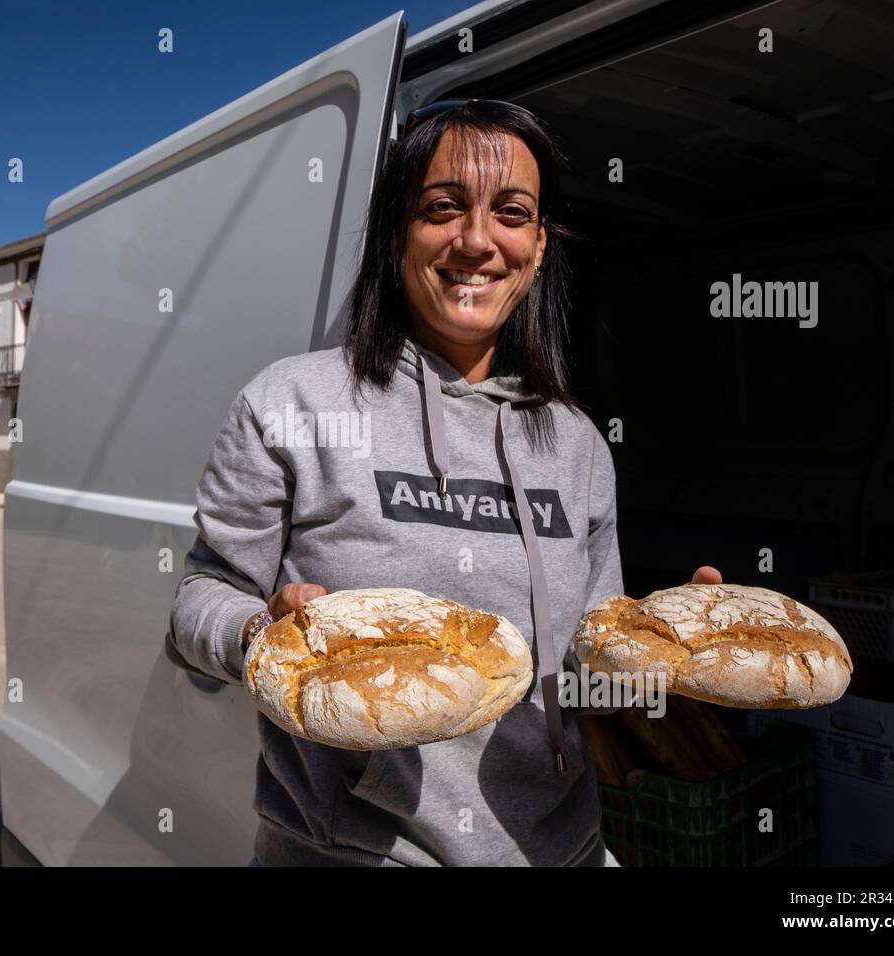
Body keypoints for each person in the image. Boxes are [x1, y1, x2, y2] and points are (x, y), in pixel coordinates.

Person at [172, 98, 721, 866]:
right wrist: (261, 634)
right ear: (398, 230)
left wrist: (673, 647)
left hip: (561, 848)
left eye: (511, 213)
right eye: (442, 207)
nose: (476, 240)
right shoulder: (294, 403)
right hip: (351, 854)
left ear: (538, 243)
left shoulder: (578, 444)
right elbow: (198, 601)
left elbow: (589, 651)